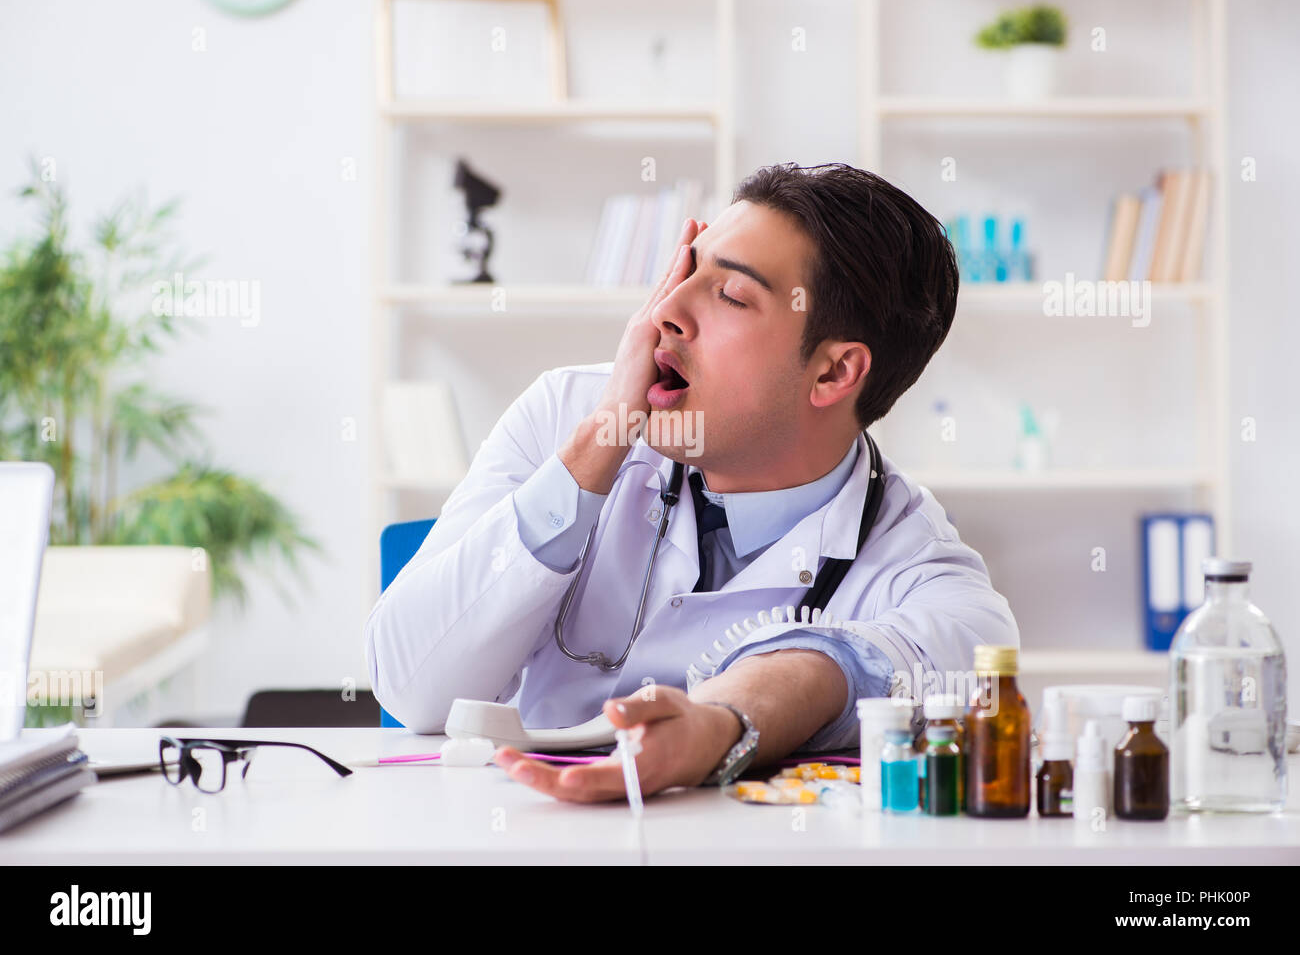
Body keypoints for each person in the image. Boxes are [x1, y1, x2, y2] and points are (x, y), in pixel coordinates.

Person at [363, 162, 1018, 803]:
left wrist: (725, 721)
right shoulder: (567, 416)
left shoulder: (913, 558)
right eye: (685, 270)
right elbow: (410, 687)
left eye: (730, 294)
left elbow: (949, 653)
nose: (663, 312)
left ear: (833, 373)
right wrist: (601, 443)